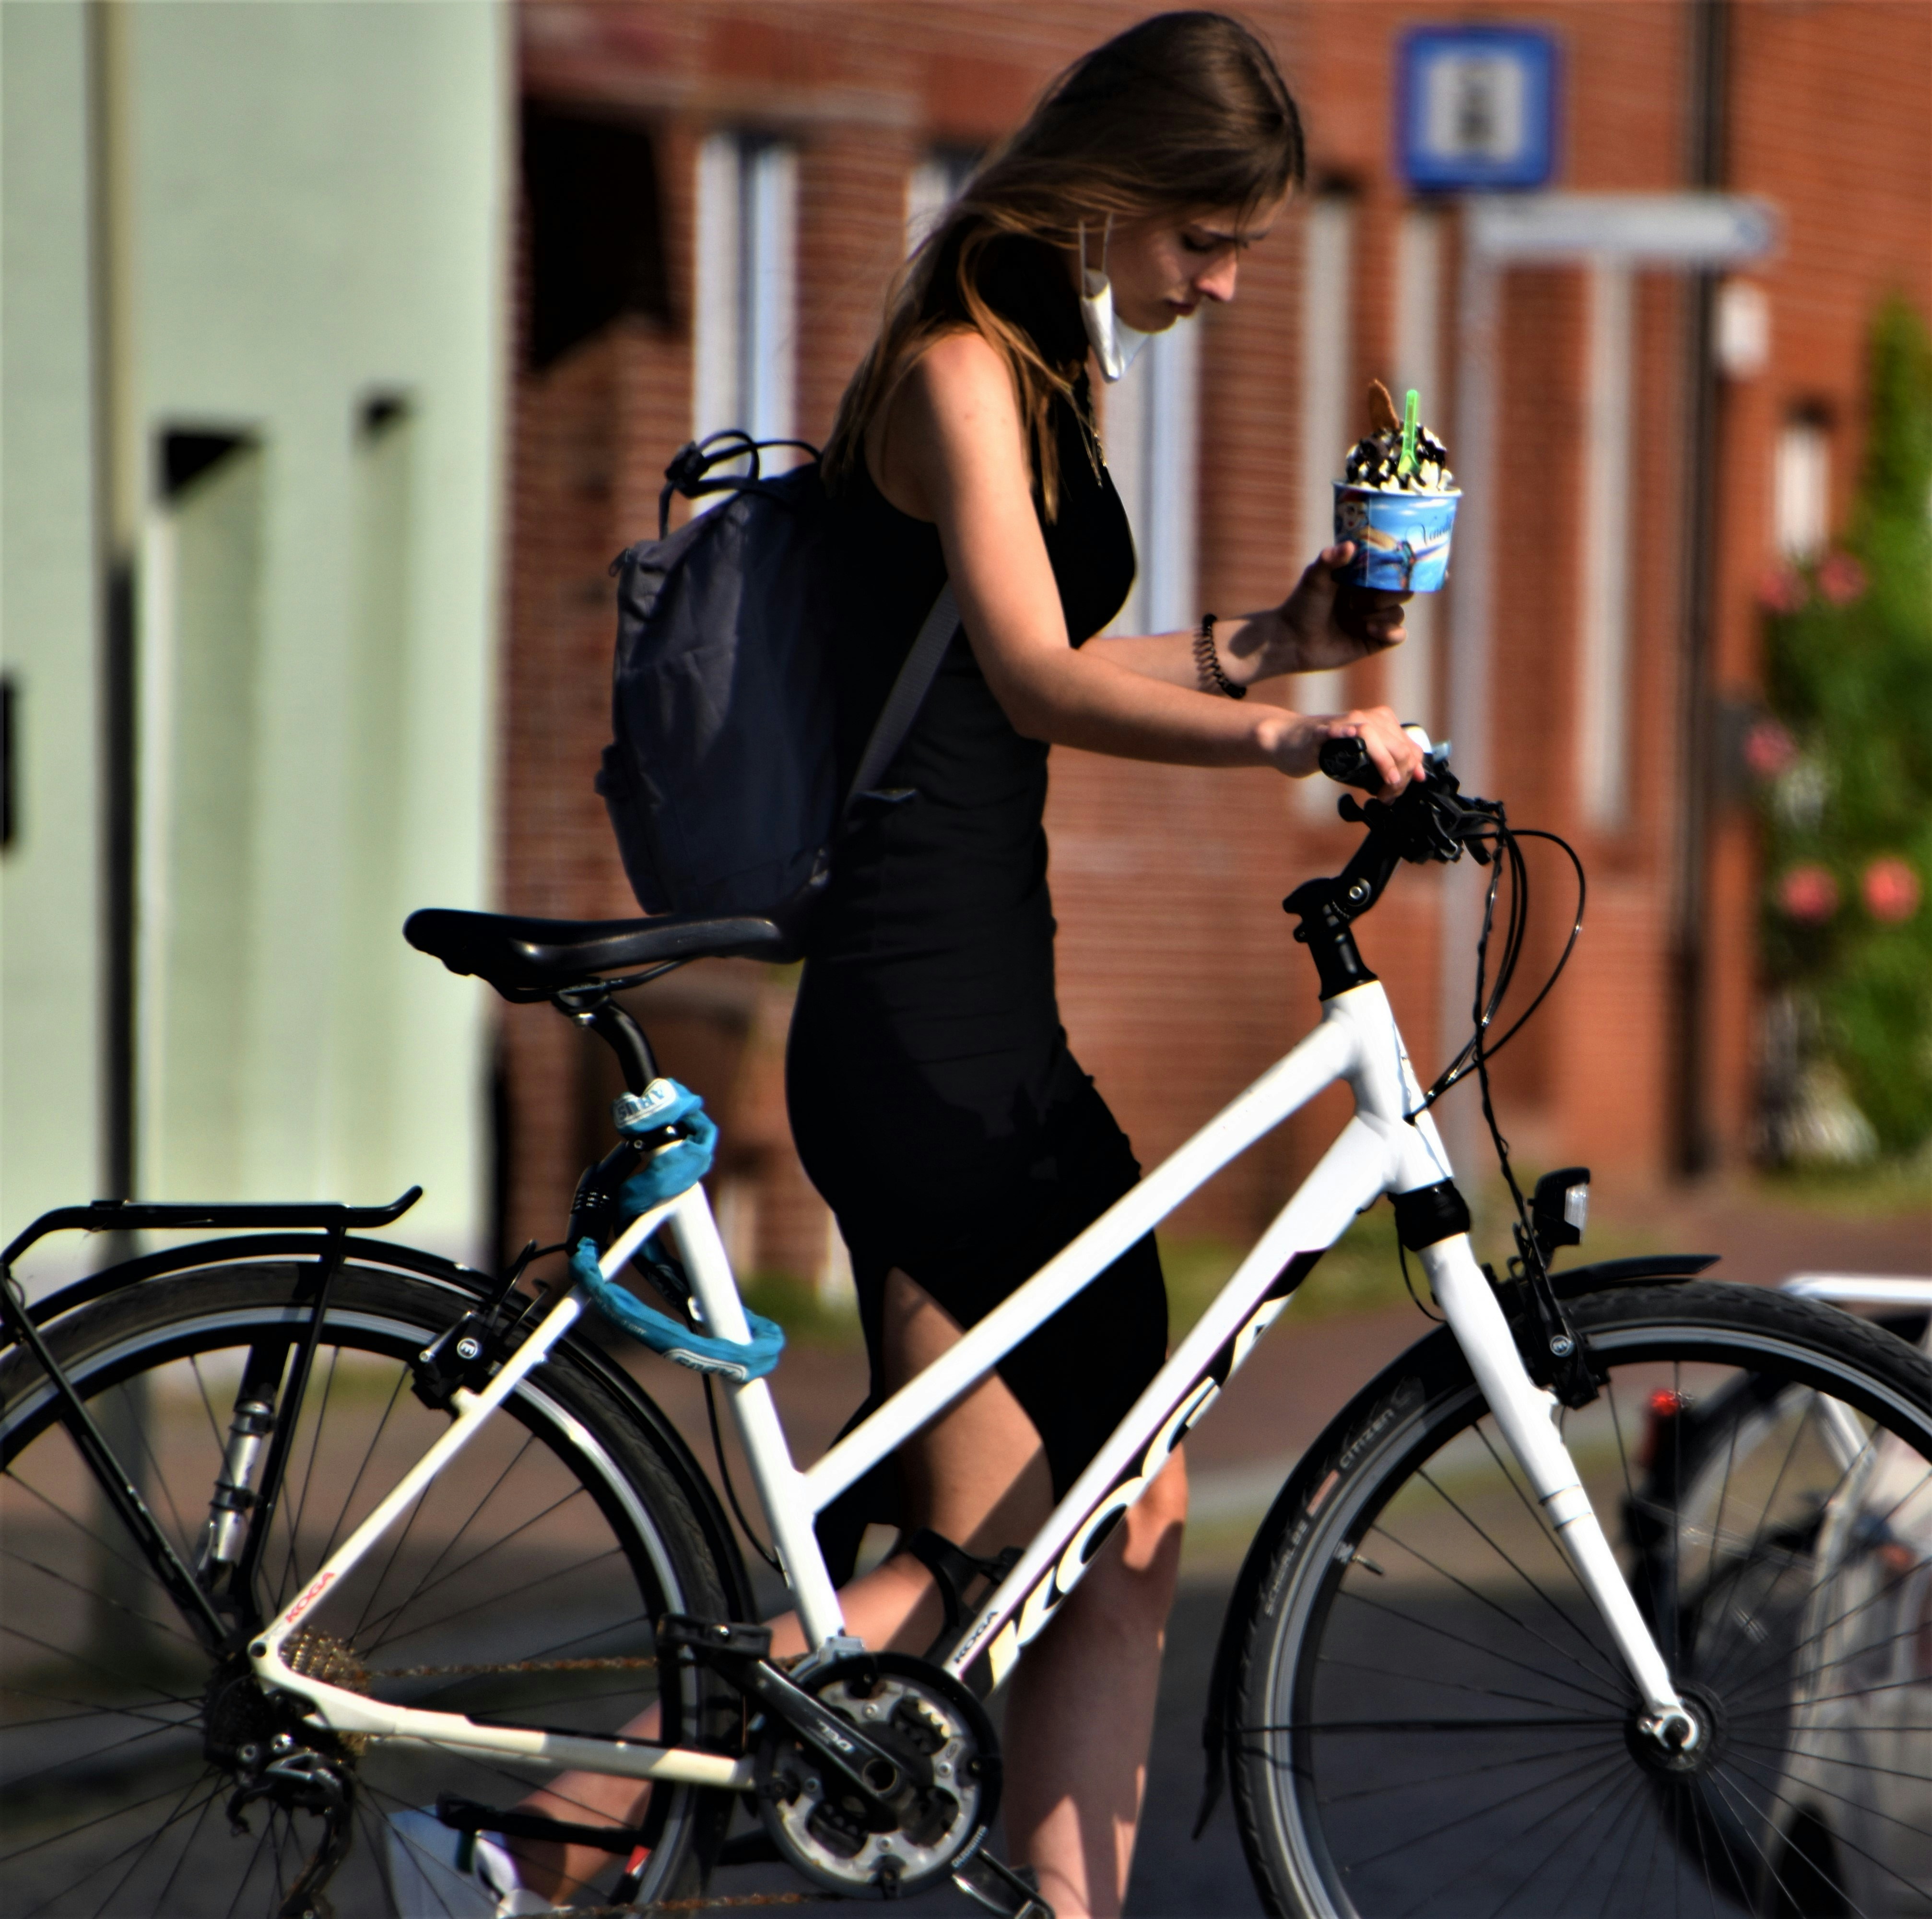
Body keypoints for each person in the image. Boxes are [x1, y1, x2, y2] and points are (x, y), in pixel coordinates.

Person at [491, 13, 1422, 1917]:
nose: (1224, 280)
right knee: (1023, 1526)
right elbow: (1024, 673)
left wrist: (1277, 641)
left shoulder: (1047, 371)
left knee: (1103, 1506)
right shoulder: (955, 374)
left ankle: (975, 1885)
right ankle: (531, 1840)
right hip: (921, 1024)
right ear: (1115, 181)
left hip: (983, 1007)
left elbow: (1047, 675)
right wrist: (1276, 748)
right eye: (1205, 234)